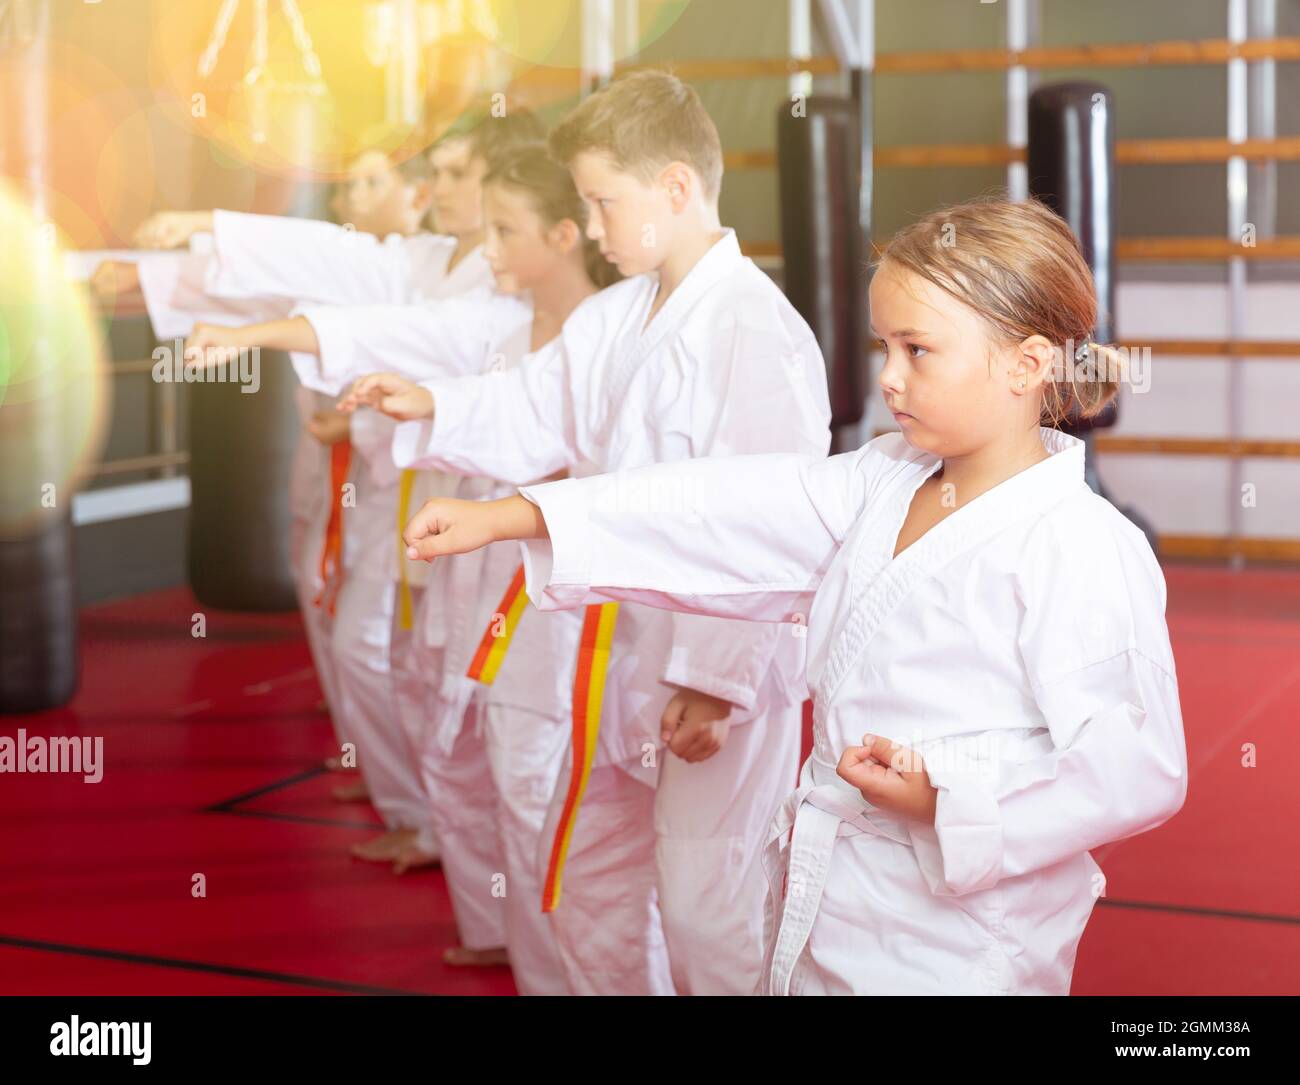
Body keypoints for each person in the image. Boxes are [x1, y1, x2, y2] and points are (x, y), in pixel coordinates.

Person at [400, 195, 1190, 996]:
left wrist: (949, 796)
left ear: (1025, 364)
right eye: (885, 346)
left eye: (919, 350)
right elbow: (718, 511)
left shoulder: (1079, 541)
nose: (889, 376)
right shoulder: (883, 481)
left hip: (964, 943)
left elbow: (1135, 764)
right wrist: (519, 512)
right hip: (834, 905)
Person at [343, 71, 830, 995]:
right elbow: (536, 407)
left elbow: (760, 522)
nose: (595, 228)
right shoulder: (616, 317)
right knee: (596, 882)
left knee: (705, 906)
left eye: (606, 202)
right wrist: (433, 401)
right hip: (616, 656)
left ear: (677, 188)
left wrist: (712, 676)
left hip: (712, 673)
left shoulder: (753, 332)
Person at [183, 106, 543, 865]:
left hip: (479, 511)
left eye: (454, 173)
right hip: (414, 492)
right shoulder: (428, 260)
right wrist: (208, 230)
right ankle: (427, 827)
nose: (436, 186)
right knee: (412, 672)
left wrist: (256, 340)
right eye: (435, 170)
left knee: (459, 698)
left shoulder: (508, 291)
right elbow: (335, 272)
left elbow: (424, 339)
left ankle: (438, 833)